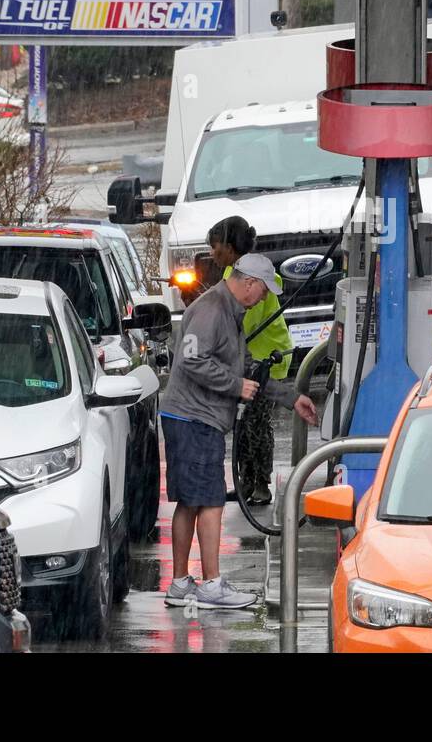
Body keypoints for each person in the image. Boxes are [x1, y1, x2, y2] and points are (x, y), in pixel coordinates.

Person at [159, 253, 318, 610]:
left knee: (191, 501)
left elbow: (246, 369)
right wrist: (234, 385)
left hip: (192, 418)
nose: (263, 299)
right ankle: (211, 584)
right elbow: (191, 361)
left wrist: (290, 398)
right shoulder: (212, 309)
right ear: (249, 283)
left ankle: (181, 582)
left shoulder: (231, 313)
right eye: (262, 292)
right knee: (211, 501)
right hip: (193, 418)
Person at [207, 216, 294, 505]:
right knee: (244, 424)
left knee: (256, 423)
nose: (212, 254)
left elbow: (243, 321)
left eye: (215, 247)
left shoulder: (253, 275)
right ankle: (245, 482)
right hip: (249, 361)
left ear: (229, 246)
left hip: (265, 359)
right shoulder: (233, 272)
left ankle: (261, 484)